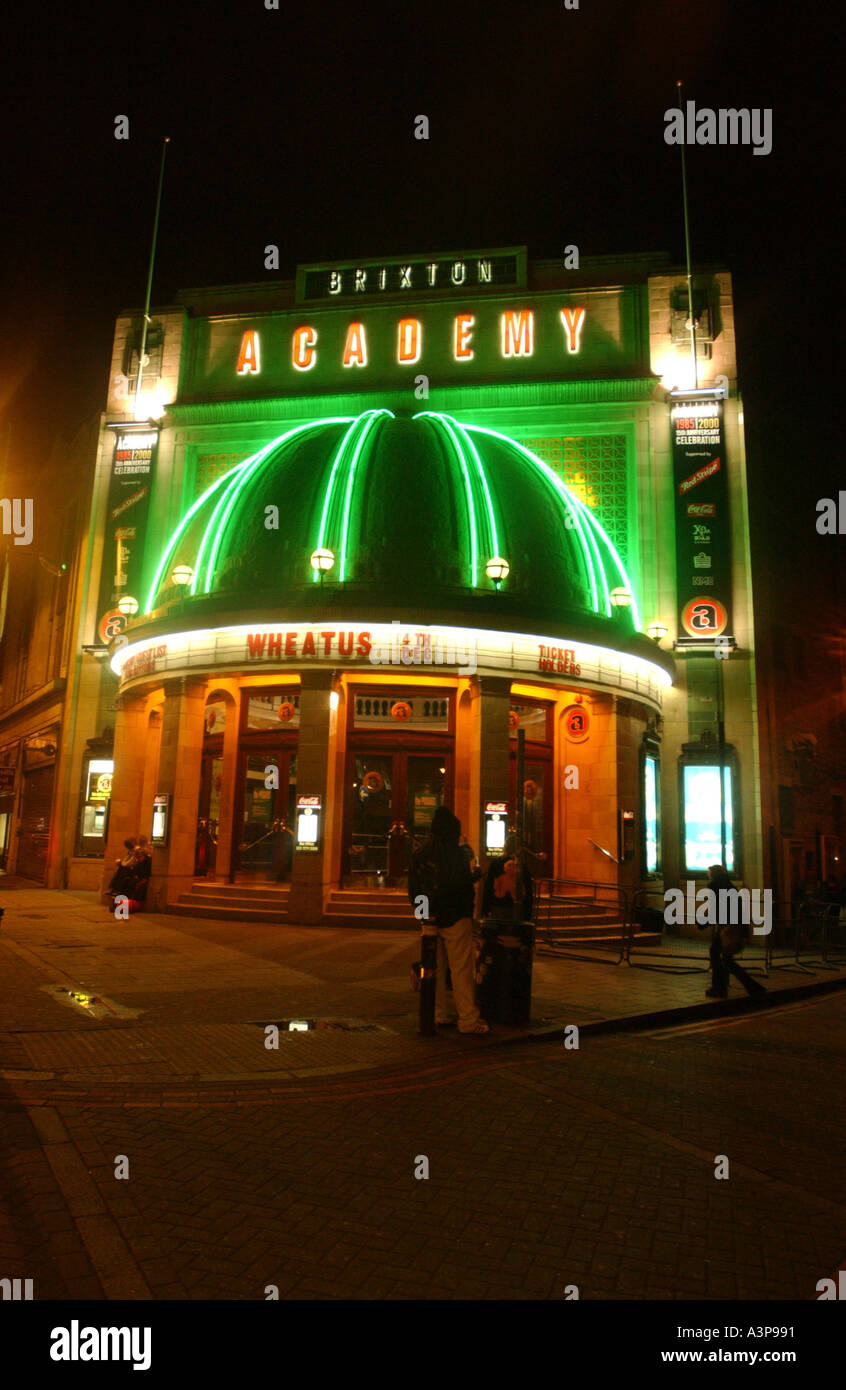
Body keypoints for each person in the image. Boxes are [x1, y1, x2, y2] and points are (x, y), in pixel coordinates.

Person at [408, 806, 489, 1034]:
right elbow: (458, 885)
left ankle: (438, 1013)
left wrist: (424, 914)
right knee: (461, 969)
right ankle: (468, 1019)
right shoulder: (457, 854)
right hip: (455, 917)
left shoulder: (420, 853)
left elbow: (414, 889)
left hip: (429, 919)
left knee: (434, 968)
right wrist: (474, 878)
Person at [700, 863, 766, 999]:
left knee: (721, 958)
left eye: (710, 874)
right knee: (723, 957)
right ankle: (742, 987)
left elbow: (715, 909)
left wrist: (702, 923)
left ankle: (724, 988)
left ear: (713, 875)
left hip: (726, 927)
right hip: (733, 925)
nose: (709, 876)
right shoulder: (731, 887)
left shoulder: (714, 887)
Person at [482, 833, 533, 922]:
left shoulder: (496, 863)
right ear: (519, 848)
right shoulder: (522, 865)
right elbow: (528, 888)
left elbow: (489, 886)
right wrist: (528, 911)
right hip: (517, 906)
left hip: (498, 904)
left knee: (499, 927)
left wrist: (485, 907)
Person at [106, 839, 137, 903]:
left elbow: (130, 862)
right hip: (127, 868)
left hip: (132, 870)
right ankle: (114, 888)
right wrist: (122, 863)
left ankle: (115, 888)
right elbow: (126, 860)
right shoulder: (130, 852)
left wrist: (122, 864)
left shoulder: (134, 852)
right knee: (119, 871)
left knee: (120, 871)